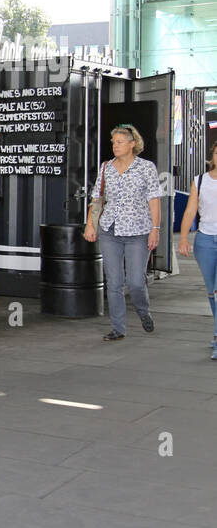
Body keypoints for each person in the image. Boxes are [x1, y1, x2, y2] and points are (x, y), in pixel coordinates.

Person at [86, 124, 162, 342]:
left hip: (138, 232)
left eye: (119, 142)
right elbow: (97, 199)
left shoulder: (146, 168)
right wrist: (90, 224)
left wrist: (155, 229)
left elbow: (154, 201)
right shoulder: (106, 168)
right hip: (109, 230)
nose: (115, 146)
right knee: (114, 282)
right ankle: (118, 328)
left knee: (136, 281)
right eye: (113, 142)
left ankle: (143, 311)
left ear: (132, 144)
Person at [178, 141, 217, 359]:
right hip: (205, 241)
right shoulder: (200, 180)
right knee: (212, 292)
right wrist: (183, 238)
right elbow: (190, 211)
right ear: (213, 155)